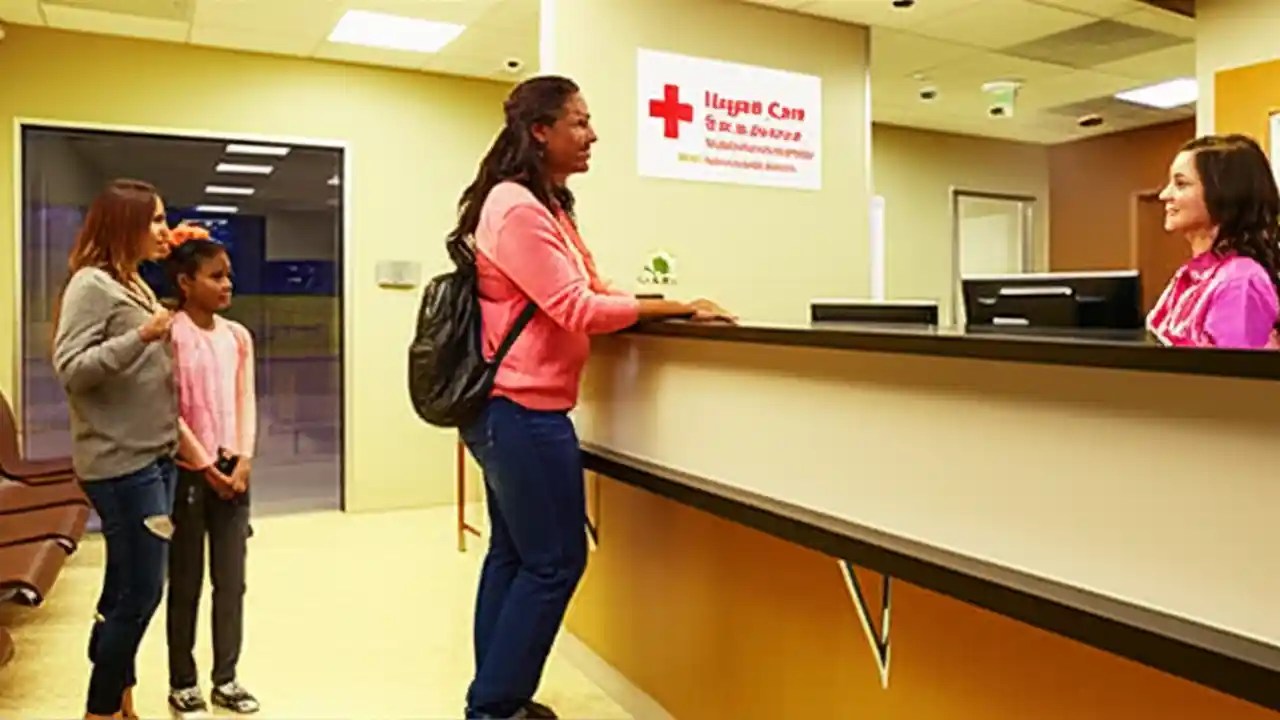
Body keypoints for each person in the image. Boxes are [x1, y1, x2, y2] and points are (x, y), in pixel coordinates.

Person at [450, 75, 734, 720]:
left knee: (515, 554)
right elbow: (575, 306)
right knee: (554, 563)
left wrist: (658, 307)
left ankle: (493, 697)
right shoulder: (516, 207)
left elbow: (593, 286)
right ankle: (495, 705)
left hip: (515, 411)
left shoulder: (546, 204)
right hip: (521, 412)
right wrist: (680, 304)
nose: (593, 133)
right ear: (540, 131)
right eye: (579, 121)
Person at [52, 179, 177, 720]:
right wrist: (143, 337)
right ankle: (99, 710)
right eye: (154, 220)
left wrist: (177, 242)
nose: (163, 230)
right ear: (123, 224)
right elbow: (72, 370)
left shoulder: (130, 282)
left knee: (123, 588)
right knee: (141, 594)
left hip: (153, 457)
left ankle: (119, 697)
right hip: (121, 466)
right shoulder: (91, 285)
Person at [160, 225, 261, 715]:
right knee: (186, 580)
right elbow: (168, 410)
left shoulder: (238, 337)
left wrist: (242, 457)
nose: (227, 285)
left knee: (232, 580)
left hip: (233, 469)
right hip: (187, 471)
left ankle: (228, 678)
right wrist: (203, 464)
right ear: (185, 281)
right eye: (215, 276)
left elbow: (246, 399)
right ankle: (183, 680)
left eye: (229, 276)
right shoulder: (168, 333)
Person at [1148, 134, 1280, 349]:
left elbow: (1233, 378)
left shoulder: (1240, 280)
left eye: (1180, 184)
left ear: (1224, 194)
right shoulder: (1191, 276)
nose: (1164, 194)